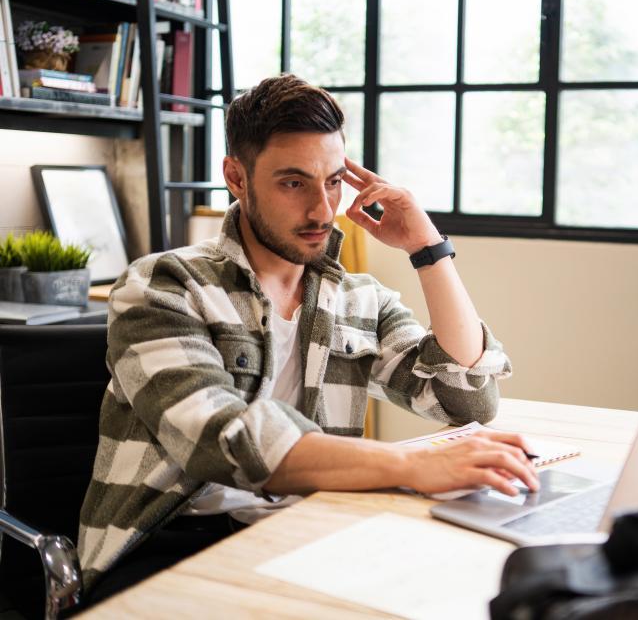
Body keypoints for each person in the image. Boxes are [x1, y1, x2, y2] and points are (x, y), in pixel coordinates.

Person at [76, 73, 538, 604]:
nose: (322, 210)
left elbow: (467, 400)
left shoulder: (359, 299)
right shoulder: (162, 285)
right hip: (172, 543)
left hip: (308, 526)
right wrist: (412, 466)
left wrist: (428, 249)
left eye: (334, 181)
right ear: (237, 177)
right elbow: (222, 442)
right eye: (294, 183)